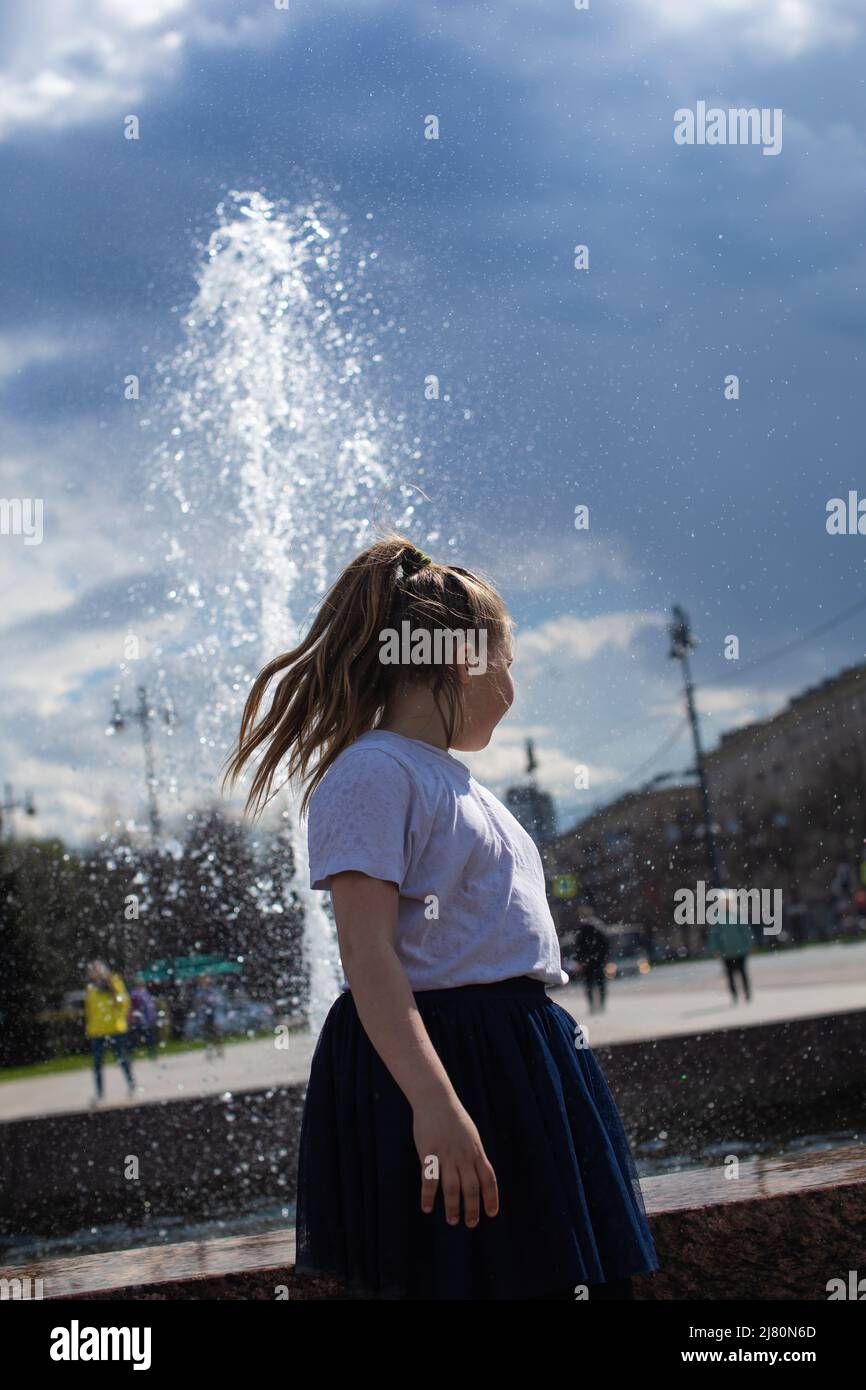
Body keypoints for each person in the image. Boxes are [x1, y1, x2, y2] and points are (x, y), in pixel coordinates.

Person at [225, 535, 659, 1301]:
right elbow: (366, 956)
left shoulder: (454, 782)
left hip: (514, 1054)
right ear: (461, 659)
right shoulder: (372, 772)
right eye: (509, 662)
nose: (513, 686)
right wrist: (435, 1102)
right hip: (449, 1062)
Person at [84, 960, 135, 1104]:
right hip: (97, 1031)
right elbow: (89, 1010)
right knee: (97, 1064)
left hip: (115, 1028)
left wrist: (112, 989)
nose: (95, 973)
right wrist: (89, 1027)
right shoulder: (91, 989)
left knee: (122, 1059)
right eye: (92, 971)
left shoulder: (114, 981)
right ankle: (100, 1093)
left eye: (97, 970)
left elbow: (124, 1002)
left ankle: (131, 1085)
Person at [707, 906, 754, 1003]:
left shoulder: (736, 914)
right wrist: (716, 949)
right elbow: (714, 934)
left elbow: (745, 930)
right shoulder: (717, 917)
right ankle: (734, 995)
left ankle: (747, 993)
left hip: (740, 950)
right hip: (726, 952)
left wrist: (749, 944)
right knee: (730, 975)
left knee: (743, 973)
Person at [576, 918, 610, 1012]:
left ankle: (592, 1005)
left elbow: (578, 947)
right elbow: (606, 946)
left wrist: (581, 961)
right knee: (600, 984)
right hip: (598, 962)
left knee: (589, 985)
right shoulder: (599, 930)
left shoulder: (583, 931)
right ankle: (601, 1004)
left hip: (588, 963)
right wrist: (604, 959)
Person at [191, 975, 225, 1059]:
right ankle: (209, 1051)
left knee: (216, 1034)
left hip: (212, 1015)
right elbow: (197, 1004)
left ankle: (219, 1050)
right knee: (207, 1035)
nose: (205, 981)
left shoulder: (212, 990)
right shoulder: (200, 991)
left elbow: (217, 1001)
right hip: (205, 1016)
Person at [128, 976, 159, 1059]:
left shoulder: (144, 992)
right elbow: (134, 1007)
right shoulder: (134, 994)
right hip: (139, 1019)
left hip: (145, 1019)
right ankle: (130, 1055)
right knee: (135, 1038)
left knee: (149, 1038)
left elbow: (150, 1007)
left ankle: (152, 1053)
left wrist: (152, 1016)